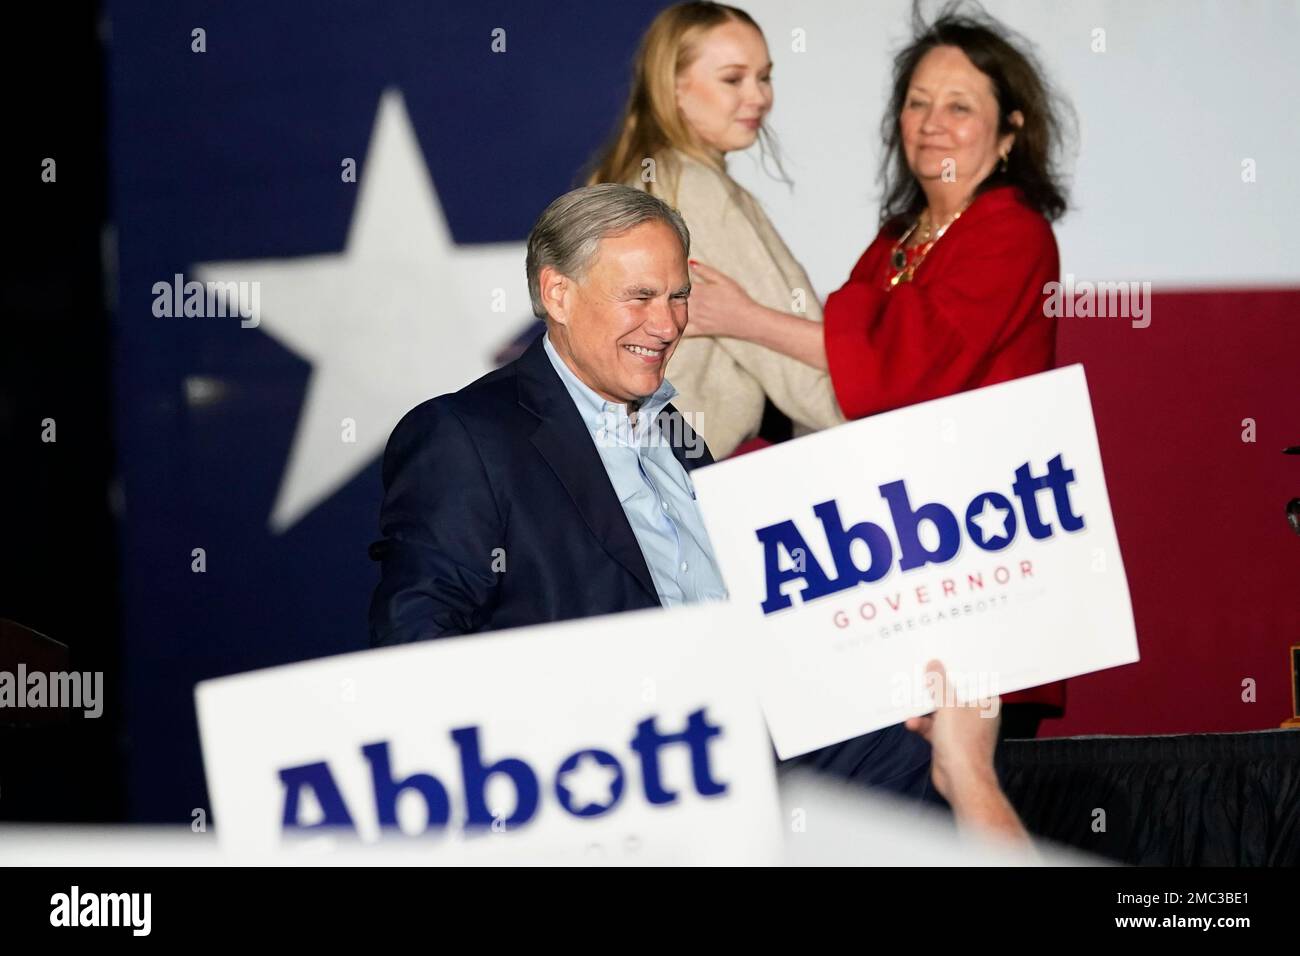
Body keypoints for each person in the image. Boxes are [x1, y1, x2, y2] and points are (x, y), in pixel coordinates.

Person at [367, 182, 1026, 835]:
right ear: (557, 294)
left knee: (925, 742)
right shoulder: (467, 433)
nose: (668, 324)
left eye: (679, 296)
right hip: (632, 768)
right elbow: (418, 643)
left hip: (760, 723)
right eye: (640, 298)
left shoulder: (675, 427)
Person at [683, 7, 1073, 734]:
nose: (931, 122)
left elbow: (902, 368)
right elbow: (838, 392)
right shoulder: (899, 239)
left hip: (976, 566)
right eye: (917, 102)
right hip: (897, 568)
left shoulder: (1012, 231)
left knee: (965, 816)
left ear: (1011, 129)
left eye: (960, 106)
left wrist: (745, 321)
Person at [585, 1, 843, 459]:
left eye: (765, 77)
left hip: (637, 467)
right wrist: (879, 431)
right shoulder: (694, 188)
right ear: (674, 88)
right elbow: (790, 364)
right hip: (698, 477)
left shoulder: (636, 179)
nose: (759, 96)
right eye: (733, 79)